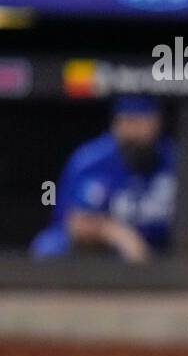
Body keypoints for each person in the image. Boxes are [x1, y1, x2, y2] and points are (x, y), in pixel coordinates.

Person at [31, 96, 176, 262]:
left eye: (139, 122)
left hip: (163, 249)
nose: (131, 131)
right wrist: (119, 235)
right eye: (125, 121)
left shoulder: (175, 159)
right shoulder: (91, 160)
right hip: (106, 250)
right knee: (48, 245)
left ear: (156, 122)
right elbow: (77, 223)